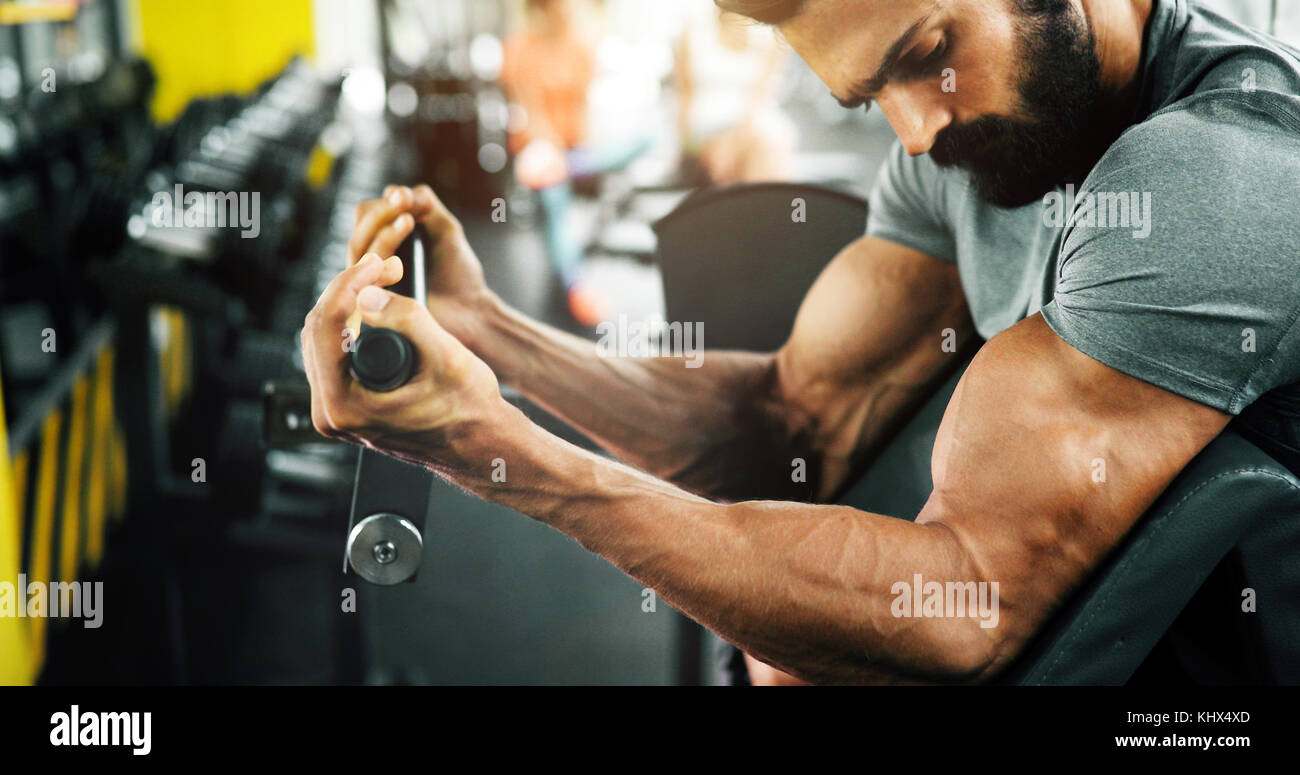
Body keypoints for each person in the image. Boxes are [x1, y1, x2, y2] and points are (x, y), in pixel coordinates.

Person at [307, 0, 1300, 685]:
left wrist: (490, 451)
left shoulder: (1222, 173)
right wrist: (491, 336)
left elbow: (964, 603)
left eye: (925, 53)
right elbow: (789, 415)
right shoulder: (960, 146)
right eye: (872, 96)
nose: (912, 135)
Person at [500, 0, 649, 328]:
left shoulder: (582, 47)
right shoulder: (519, 47)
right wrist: (554, 152)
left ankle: (568, 168)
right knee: (555, 200)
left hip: (573, 154)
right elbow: (530, 111)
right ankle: (575, 289)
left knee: (645, 138)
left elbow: (582, 110)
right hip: (537, 147)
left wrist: (578, 154)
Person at [674, 7, 797, 185]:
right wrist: (690, 145)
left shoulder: (769, 35)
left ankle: (760, 202)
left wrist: (735, 141)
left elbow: (761, 95)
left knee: (769, 140)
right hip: (704, 126)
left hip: (751, 125)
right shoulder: (693, 30)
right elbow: (684, 94)